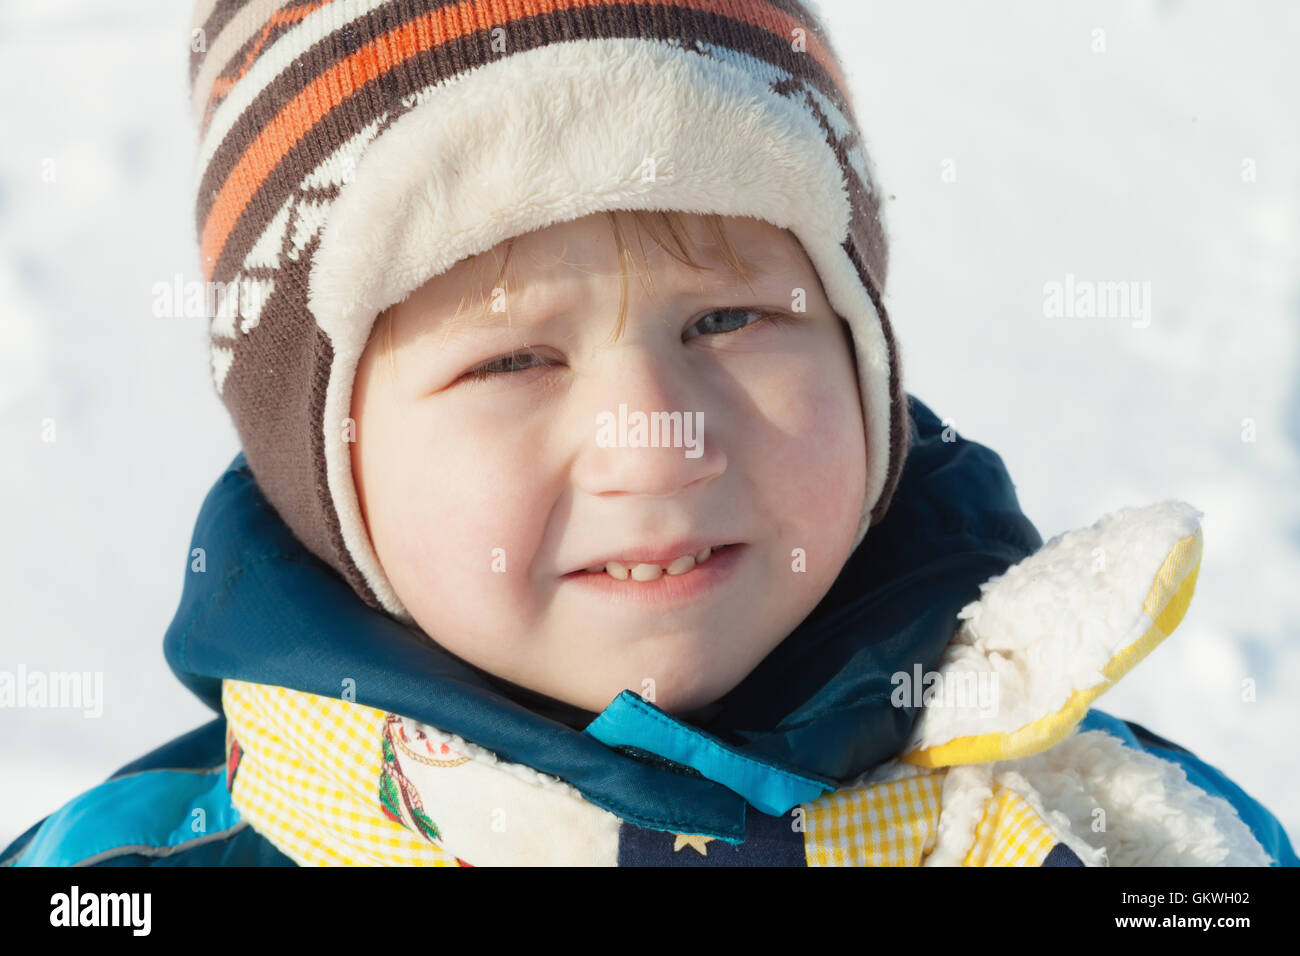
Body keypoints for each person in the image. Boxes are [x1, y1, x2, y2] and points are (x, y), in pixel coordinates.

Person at [4, 0, 1294, 867]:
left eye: (732, 317)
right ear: (325, 467)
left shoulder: (1123, 837)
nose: (656, 437)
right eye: (512, 358)